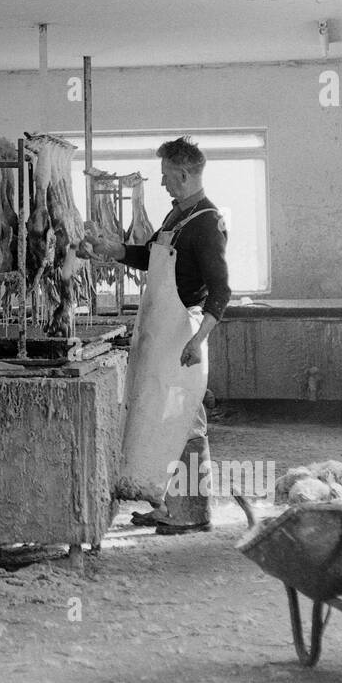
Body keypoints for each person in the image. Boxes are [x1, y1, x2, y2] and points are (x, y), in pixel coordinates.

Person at [81, 136, 231, 534]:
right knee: (161, 418)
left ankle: (193, 512)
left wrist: (198, 341)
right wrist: (113, 249)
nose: (162, 184)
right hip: (163, 332)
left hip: (184, 333)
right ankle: (169, 504)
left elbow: (221, 291)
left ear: (183, 174)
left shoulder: (206, 223)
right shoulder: (176, 218)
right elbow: (149, 257)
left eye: (166, 177)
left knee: (186, 421)